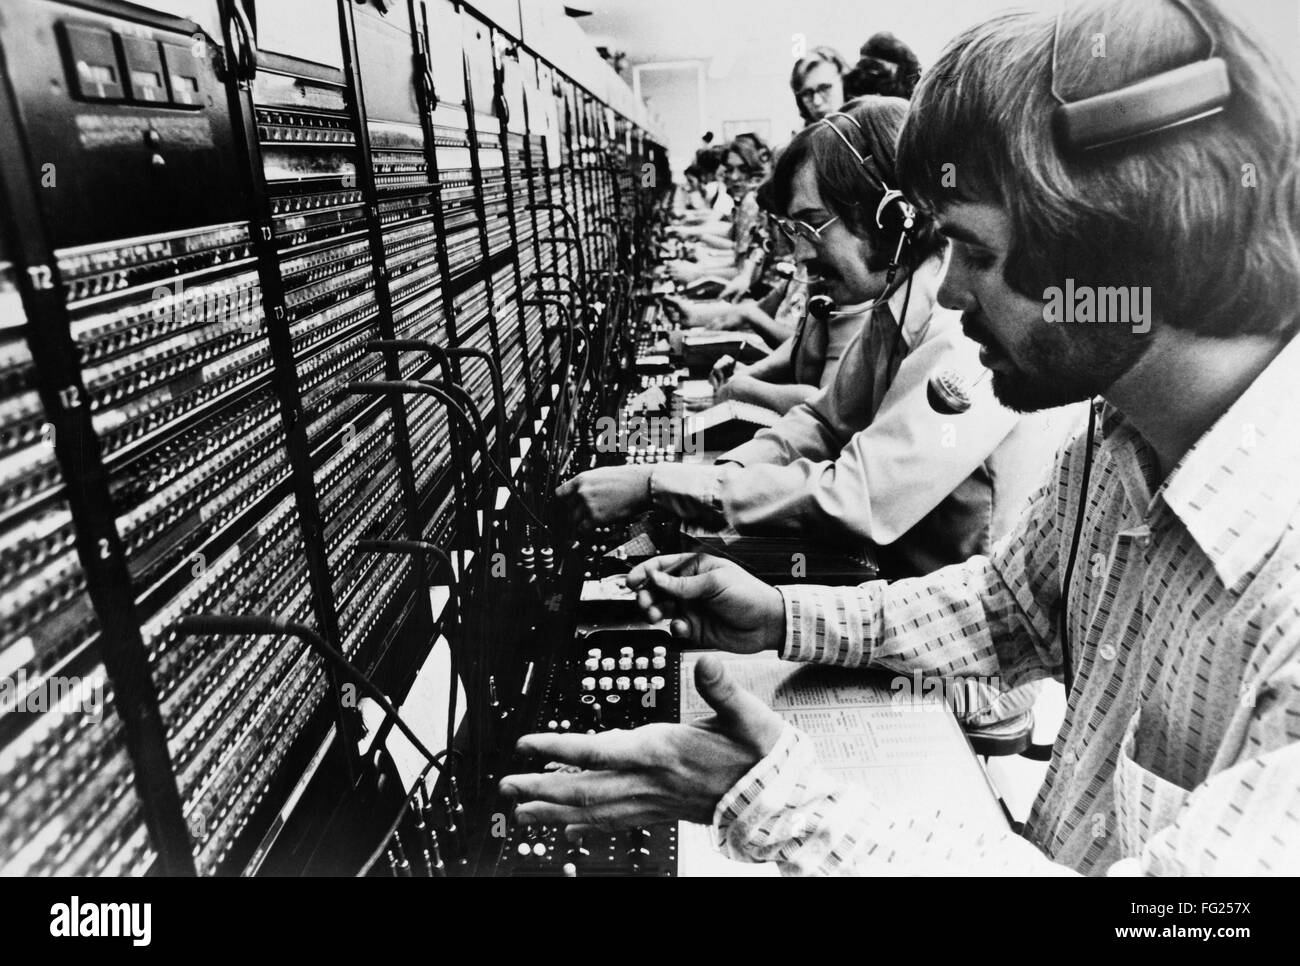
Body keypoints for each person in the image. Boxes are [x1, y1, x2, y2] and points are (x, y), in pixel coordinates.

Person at [503, 0, 1300, 875]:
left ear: (1122, 246)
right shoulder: (1119, 435)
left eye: (976, 251)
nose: (950, 294)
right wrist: (783, 616)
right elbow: (1006, 606)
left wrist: (773, 801)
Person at [560, 98, 1079, 580]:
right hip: (882, 588)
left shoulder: (960, 332)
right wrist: (725, 472)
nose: (802, 257)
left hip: (944, 634)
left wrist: (669, 486)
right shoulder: (893, 303)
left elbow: (859, 497)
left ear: (888, 216)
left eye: (812, 227)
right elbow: (823, 422)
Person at [844, 32, 923, 100]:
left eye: (875, 67)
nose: (865, 75)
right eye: (864, 65)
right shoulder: (853, 81)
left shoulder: (914, 94)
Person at [790, 46, 848, 125]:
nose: (817, 102)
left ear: (844, 84)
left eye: (824, 88)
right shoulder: (803, 136)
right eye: (807, 93)